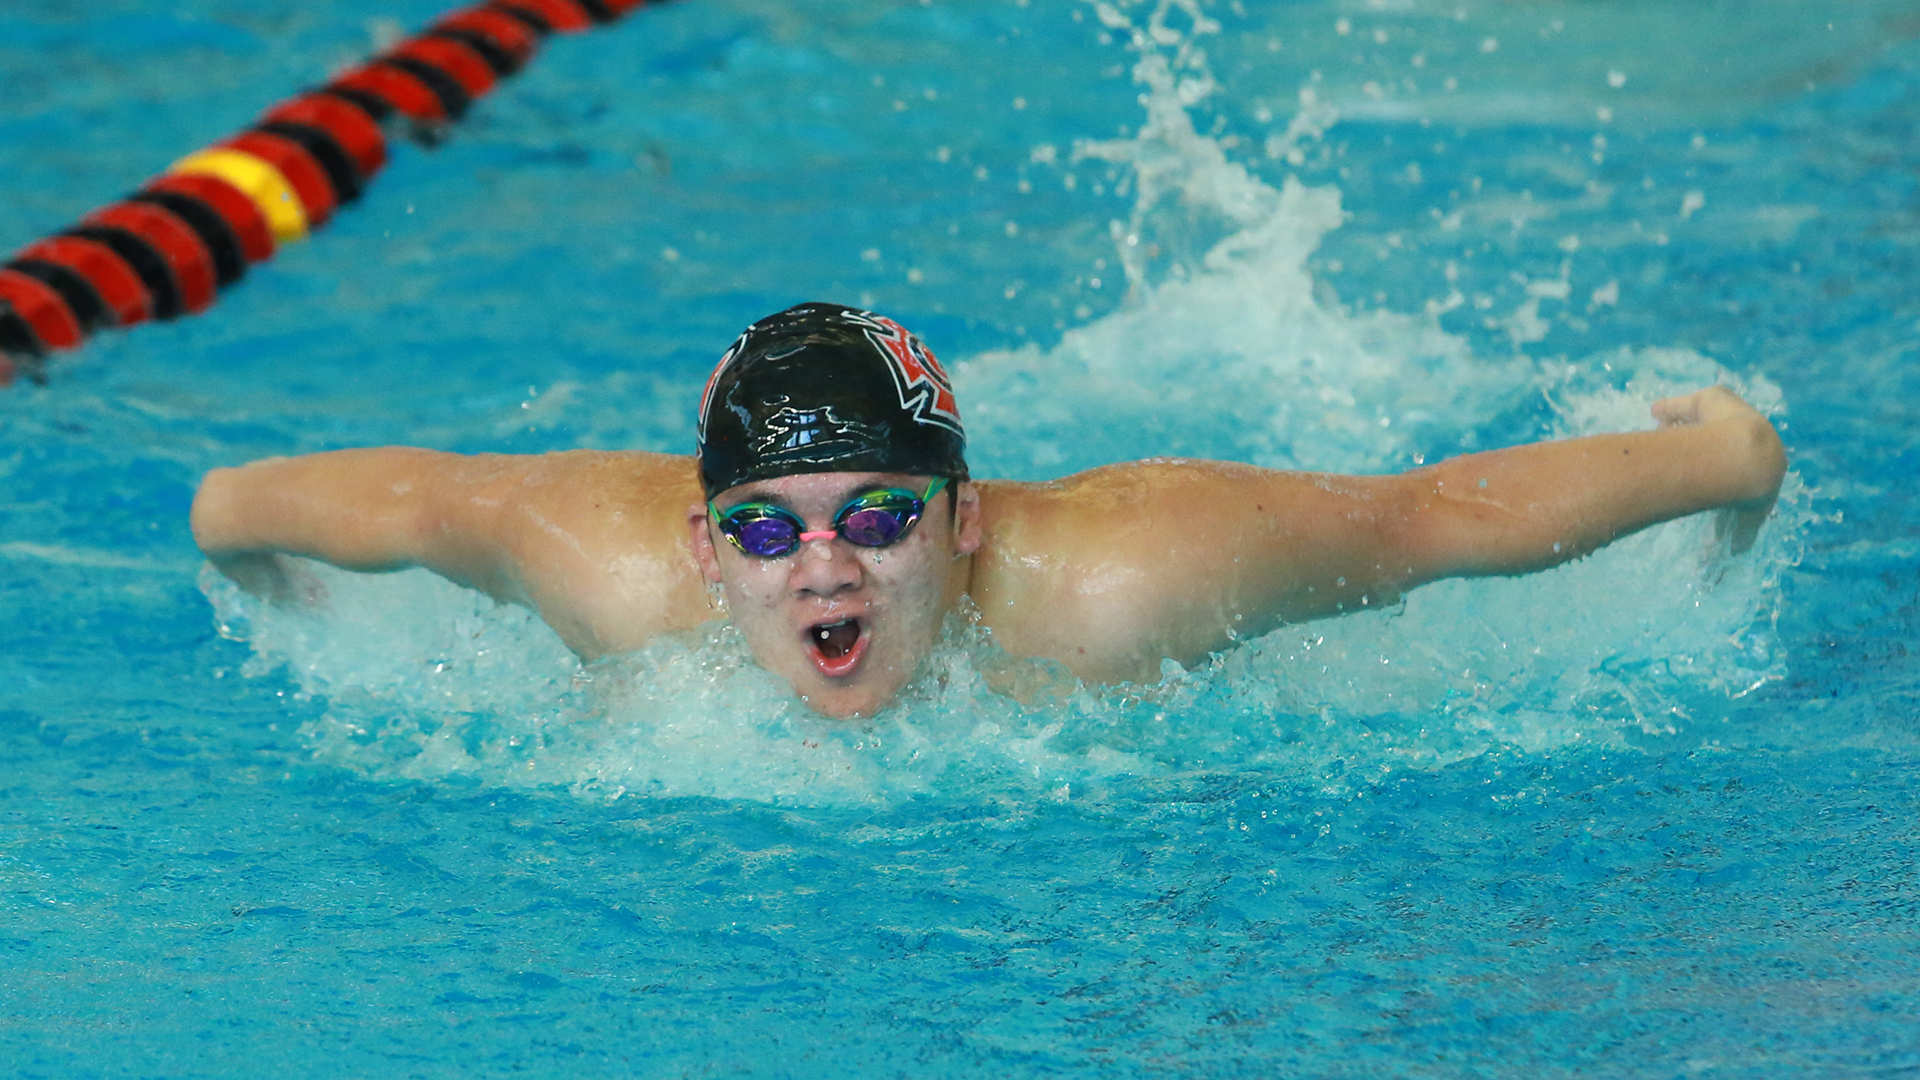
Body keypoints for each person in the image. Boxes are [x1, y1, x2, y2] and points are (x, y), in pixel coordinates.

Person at [191, 302, 1789, 718]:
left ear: (963, 520)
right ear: (705, 547)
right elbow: (400, 501)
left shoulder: (1124, 580)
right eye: (767, 529)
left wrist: (1727, 459)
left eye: (879, 515)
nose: (822, 565)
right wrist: (242, 548)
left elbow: (1441, 518)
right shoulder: (609, 571)